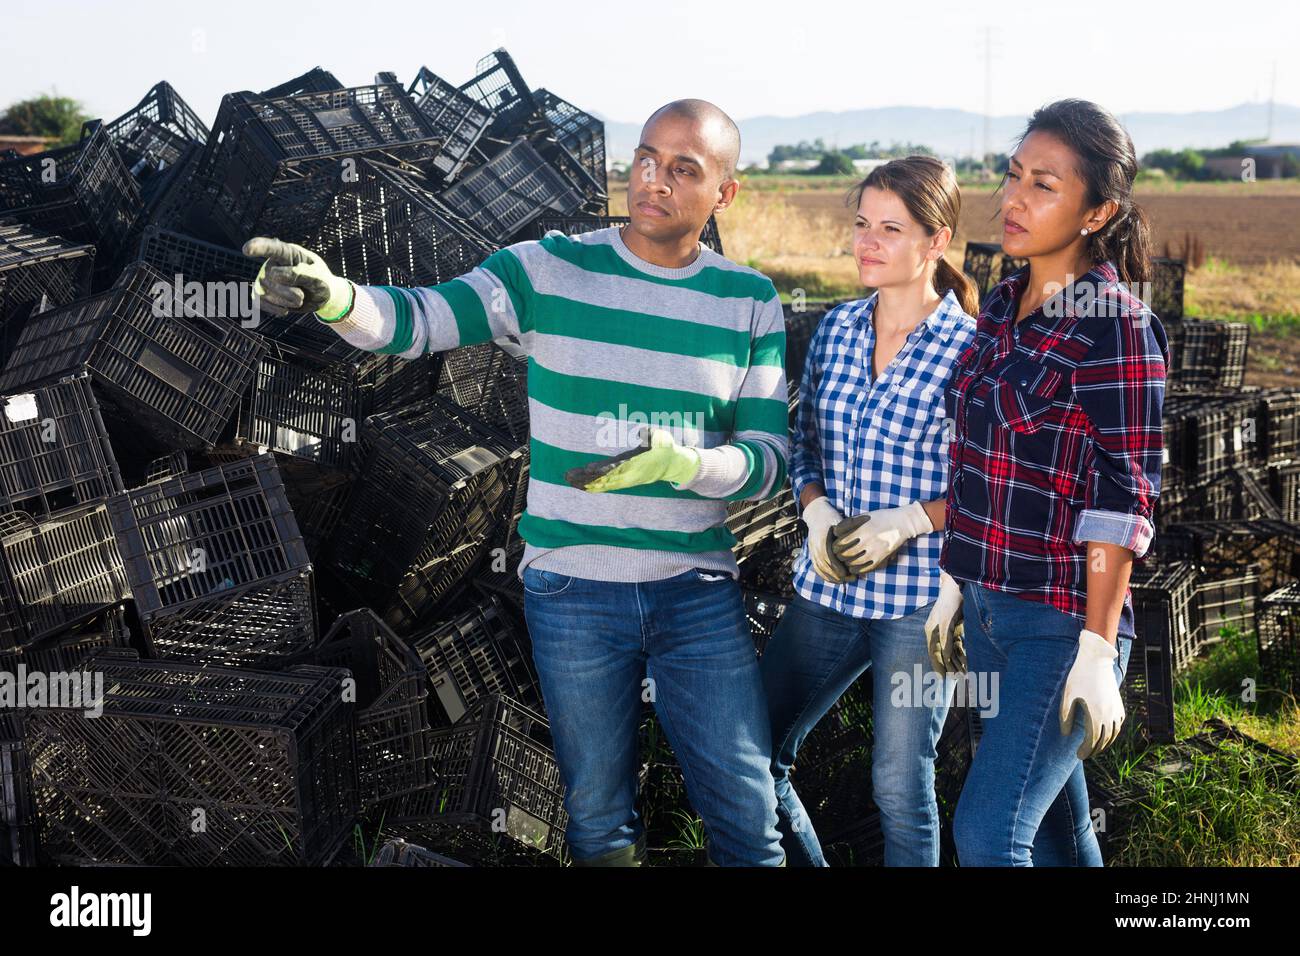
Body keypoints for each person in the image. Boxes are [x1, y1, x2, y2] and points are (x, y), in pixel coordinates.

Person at [245, 99, 790, 867]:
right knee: (599, 819)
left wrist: (688, 465)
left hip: (696, 593)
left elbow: (768, 459)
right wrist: (335, 295)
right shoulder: (548, 268)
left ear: (723, 195)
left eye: (683, 169)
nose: (653, 180)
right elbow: (422, 320)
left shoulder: (749, 303)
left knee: (745, 812)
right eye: (644, 158)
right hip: (574, 592)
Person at [927, 98, 1169, 866]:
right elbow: (976, 460)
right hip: (993, 612)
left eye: (1044, 186)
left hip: (1061, 627)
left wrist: (1097, 650)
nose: (1013, 200)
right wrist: (956, 582)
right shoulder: (1000, 306)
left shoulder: (1116, 326)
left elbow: (1122, 501)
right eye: (1013, 176)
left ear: (1097, 211)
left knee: (988, 833)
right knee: (1062, 836)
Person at [761, 156, 979, 866]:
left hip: (920, 604)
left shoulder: (970, 351)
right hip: (826, 588)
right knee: (754, 752)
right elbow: (804, 444)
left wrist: (911, 521)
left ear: (935, 241)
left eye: (891, 228)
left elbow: (991, 484)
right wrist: (816, 511)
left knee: (898, 783)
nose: (867, 241)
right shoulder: (838, 330)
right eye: (861, 224)